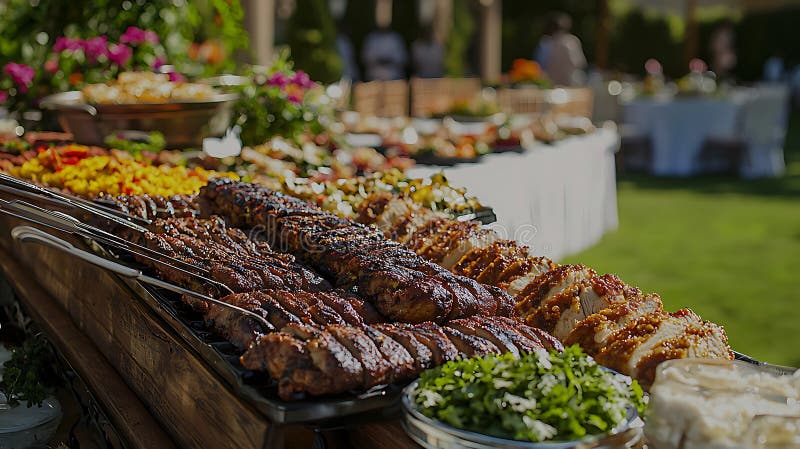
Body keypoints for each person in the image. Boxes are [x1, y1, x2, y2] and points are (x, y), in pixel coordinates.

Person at [544, 13, 587, 86]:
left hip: (560, 82)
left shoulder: (550, 42)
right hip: (571, 82)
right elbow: (579, 62)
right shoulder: (571, 41)